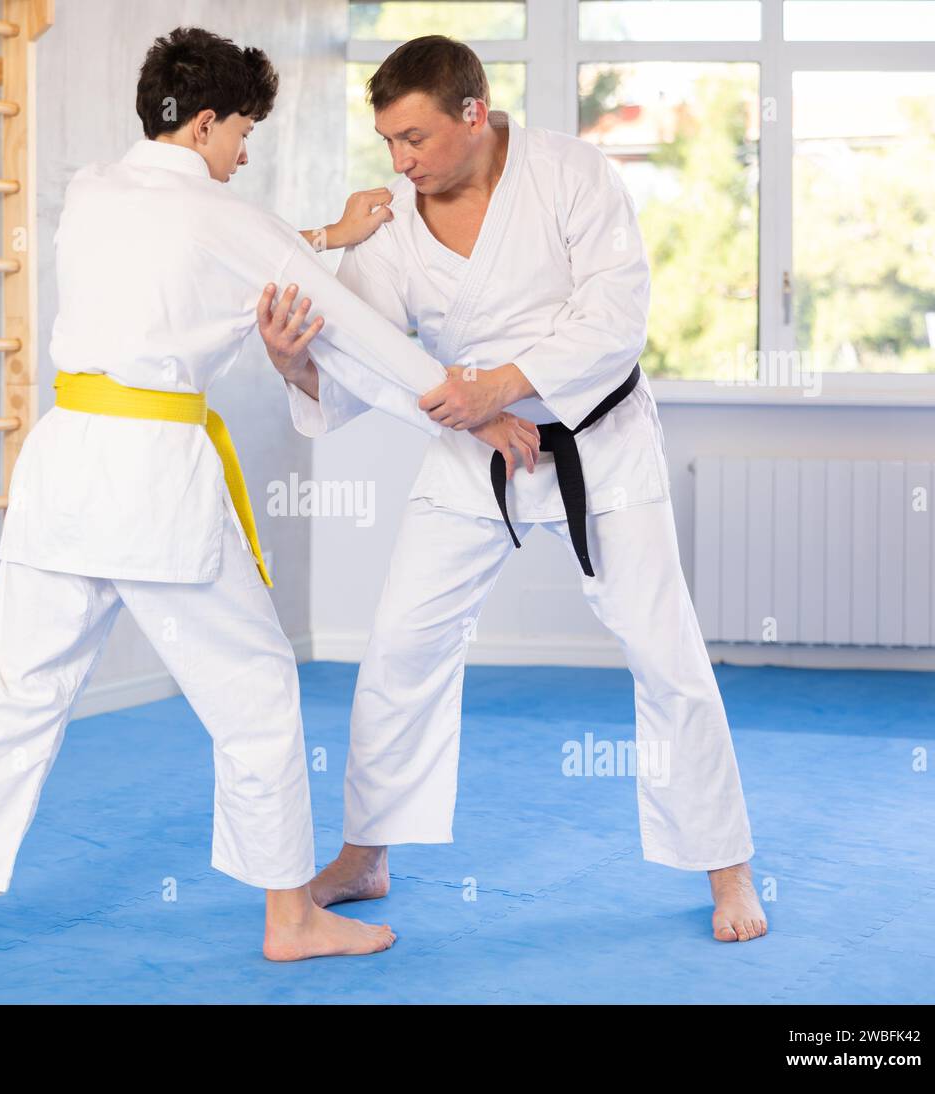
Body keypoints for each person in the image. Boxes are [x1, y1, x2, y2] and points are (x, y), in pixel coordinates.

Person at [0, 26, 540, 982]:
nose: (246, 153)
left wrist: (328, 237)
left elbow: (193, 253)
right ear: (205, 122)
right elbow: (360, 341)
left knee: (7, 705)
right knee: (258, 694)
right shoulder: (232, 225)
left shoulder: (91, 192)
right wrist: (471, 416)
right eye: (243, 133)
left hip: (60, 477)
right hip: (152, 485)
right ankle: (290, 918)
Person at [258, 35, 767, 944]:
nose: (400, 161)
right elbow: (361, 362)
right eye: (387, 143)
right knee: (401, 647)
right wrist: (293, 363)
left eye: (414, 138)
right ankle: (367, 852)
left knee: (666, 651)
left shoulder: (574, 176)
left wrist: (498, 383)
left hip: (599, 442)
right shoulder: (392, 228)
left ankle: (727, 867)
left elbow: (616, 318)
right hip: (473, 456)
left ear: (473, 112)